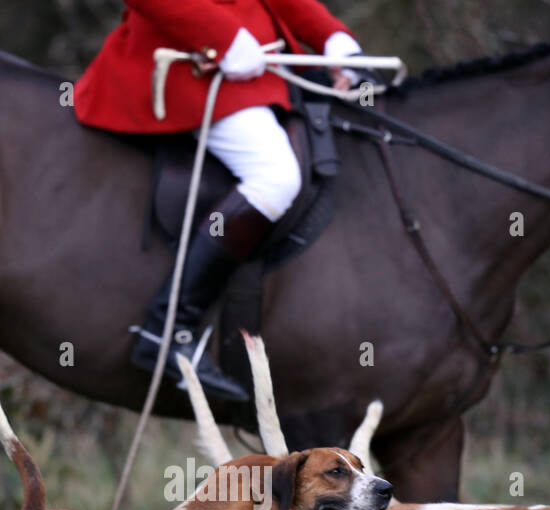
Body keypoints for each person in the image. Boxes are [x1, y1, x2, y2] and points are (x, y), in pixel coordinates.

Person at [74, 0, 363, 402]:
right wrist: (222, 39)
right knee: (275, 177)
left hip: (259, 65)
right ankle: (168, 329)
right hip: (187, 62)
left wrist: (329, 35)